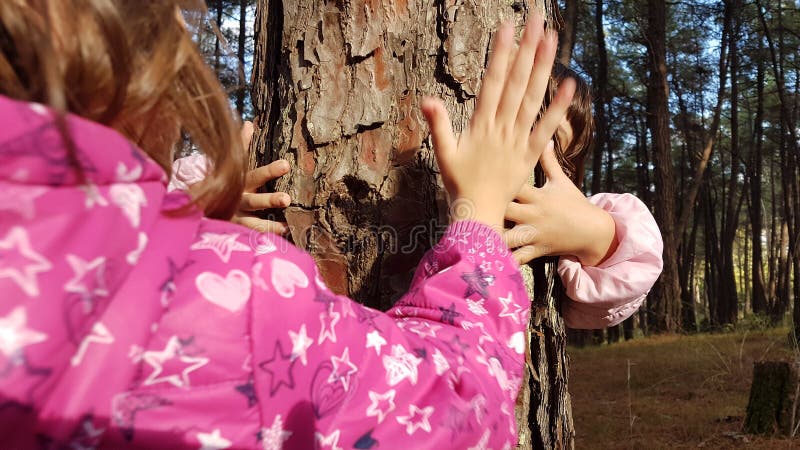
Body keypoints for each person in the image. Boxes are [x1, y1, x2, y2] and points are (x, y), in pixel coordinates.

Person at [0, 2, 574, 449]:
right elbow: (457, 407)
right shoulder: (240, 301)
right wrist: (479, 216)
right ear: (141, 66)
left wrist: (182, 227)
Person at [503, 65, 664, 329]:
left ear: (567, 168)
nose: (527, 141)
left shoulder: (573, 223)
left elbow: (593, 306)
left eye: (550, 137)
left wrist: (596, 236)